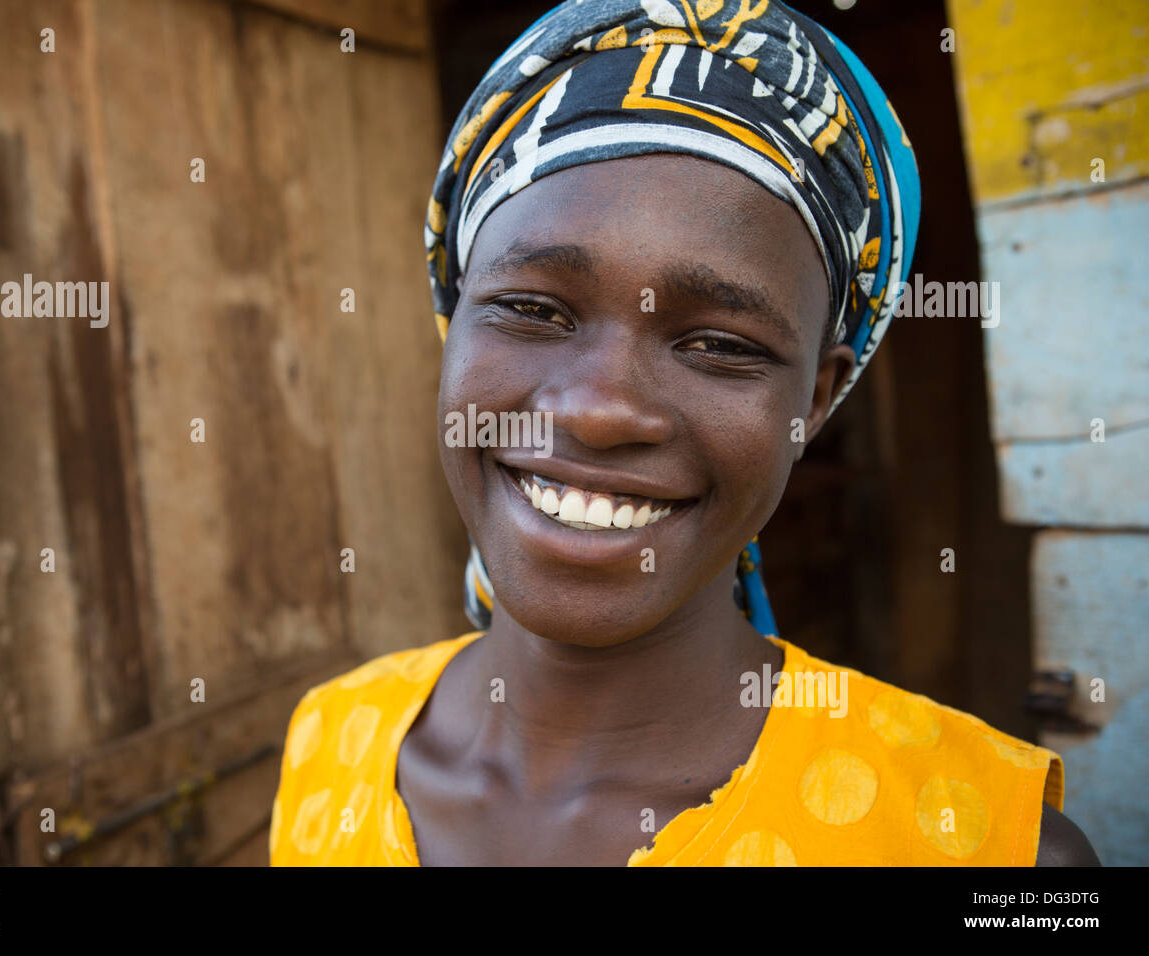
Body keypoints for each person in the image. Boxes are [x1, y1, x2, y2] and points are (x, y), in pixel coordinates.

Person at [269, 0, 1099, 866]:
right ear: (453, 327)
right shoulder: (328, 747)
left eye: (719, 345)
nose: (599, 409)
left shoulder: (988, 848)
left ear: (813, 402)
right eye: (532, 309)